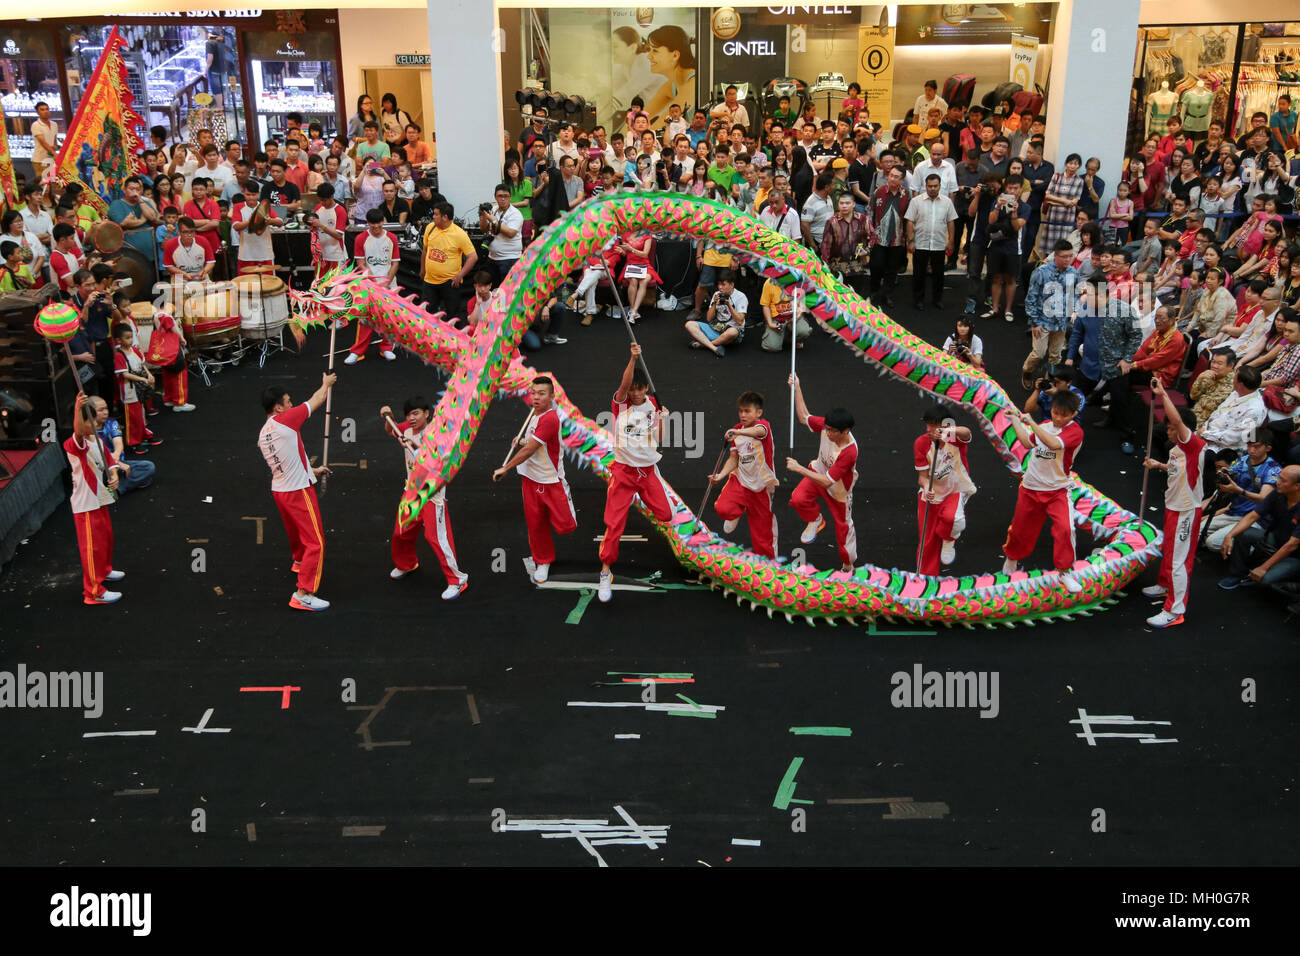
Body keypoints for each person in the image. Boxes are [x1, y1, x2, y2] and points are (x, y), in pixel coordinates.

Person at [592, 344, 673, 603]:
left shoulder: (653, 406)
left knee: (666, 514)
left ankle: (643, 497)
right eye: (633, 389)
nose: (636, 393)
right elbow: (624, 384)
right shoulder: (620, 405)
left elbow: (661, 439)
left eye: (640, 388)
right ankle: (605, 572)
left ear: (647, 389)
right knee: (614, 524)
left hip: (647, 472)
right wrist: (632, 357)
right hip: (624, 473)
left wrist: (663, 420)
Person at [259, 373, 337, 611]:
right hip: (298, 491)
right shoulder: (286, 419)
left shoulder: (263, 433)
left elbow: (289, 460)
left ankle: (299, 561)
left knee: (297, 533)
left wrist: (312, 470)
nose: (292, 405)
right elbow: (317, 399)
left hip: (280, 490)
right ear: (278, 407)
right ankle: (303, 592)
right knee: (316, 541)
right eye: (288, 401)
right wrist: (326, 383)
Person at [381, 396, 467, 600]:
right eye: (408, 414)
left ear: (427, 413)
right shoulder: (406, 428)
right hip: (411, 492)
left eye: (416, 413)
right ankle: (406, 564)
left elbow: (436, 461)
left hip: (431, 494)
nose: (411, 418)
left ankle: (457, 579)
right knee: (401, 532)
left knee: (436, 538)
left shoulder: (437, 434)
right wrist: (389, 417)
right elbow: (390, 429)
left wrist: (415, 444)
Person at [493, 376, 578, 584]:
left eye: (541, 393)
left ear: (551, 396)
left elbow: (531, 449)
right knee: (535, 524)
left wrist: (506, 467)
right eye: (533, 393)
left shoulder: (550, 418)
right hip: (530, 480)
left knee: (567, 526)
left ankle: (557, 513)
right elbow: (532, 442)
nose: (536, 397)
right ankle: (543, 561)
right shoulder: (534, 415)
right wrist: (521, 441)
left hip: (551, 480)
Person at [1138, 378, 1208, 626]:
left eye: (1170, 429)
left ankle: (1175, 611)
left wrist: (1162, 394)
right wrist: (1159, 465)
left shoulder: (1194, 444)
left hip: (1186, 511)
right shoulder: (1177, 450)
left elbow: (1177, 421)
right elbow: (1177, 469)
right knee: (1169, 551)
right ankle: (1164, 585)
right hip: (1173, 507)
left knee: (1179, 560)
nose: (1167, 432)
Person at [1001, 390, 1085, 593]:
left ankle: (1064, 572)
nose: (1057, 417)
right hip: (1031, 487)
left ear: (1074, 414)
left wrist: (1032, 423)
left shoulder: (1075, 432)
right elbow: (1026, 442)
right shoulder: (1046, 426)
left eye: (1063, 414)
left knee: (1066, 529)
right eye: (1055, 412)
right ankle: (1012, 559)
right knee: (1020, 529)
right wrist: (1014, 420)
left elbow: (1054, 443)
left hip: (1057, 490)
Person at [785, 374, 857, 573]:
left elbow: (827, 482)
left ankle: (847, 567)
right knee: (798, 499)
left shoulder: (849, 452)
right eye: (827, 429)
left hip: (838, 489)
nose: (827, 433)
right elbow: (803, 416)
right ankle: (815, 519)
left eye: (832, 431)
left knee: (844, 531)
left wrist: (799, 468)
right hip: (820, 471)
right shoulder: (828, 426)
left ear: (845, 431)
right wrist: (797, 386)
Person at [66, 393, 124, 605]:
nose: (96, 422)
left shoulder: (98, 440)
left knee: (106, 540)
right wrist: (77, 410)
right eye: (89, 418)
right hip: (86, 504)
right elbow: (79, 432)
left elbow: (110, 461)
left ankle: (104, 571)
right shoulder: (74, 444)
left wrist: (115, 475)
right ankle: (93, 592)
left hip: (100, 499)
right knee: (92, 548)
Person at [708, 391, 778, 558]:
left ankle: (769, 566)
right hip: (740, 479)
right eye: (741, 411)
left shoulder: (763, 426)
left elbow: (758, 432)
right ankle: (738, 510)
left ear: (758, 413)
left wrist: (738, 432)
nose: (743, 415)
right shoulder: (737, 430)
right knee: (723, 509)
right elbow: (733, 458)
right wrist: (720, 475)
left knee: (762, 535)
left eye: (747, 411)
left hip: (761, 485)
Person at [914, 405, 976, 574]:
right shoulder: (921, 443)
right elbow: (922, 477)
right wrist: (927, 488)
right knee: (926, 542)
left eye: (933, 425)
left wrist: (948, 431)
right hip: (932, 494)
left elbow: (967, 432)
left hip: (956, 490)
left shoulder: (955, 438)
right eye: (927, 424)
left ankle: (948, 539)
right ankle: (925, 581)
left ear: (945, 425)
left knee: (954, 520)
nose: (929, 429)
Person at [1218, 464, 1300, 589]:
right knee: (1242, 532)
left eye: (1283, 480)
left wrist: (1263, 568)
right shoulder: (1278, 493)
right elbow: (1253, 516)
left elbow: (1292, 545)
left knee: (1266, 579)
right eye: (1279, 477)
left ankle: (1293, 584)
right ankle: (1237, 574)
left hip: (1294, 554)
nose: (1277, 482)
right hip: (1276, 540)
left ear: (1297, 486)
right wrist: (1230, 535)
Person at [346, 208, 401, 364]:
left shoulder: (392, 238)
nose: (376, 227)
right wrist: (375, 283)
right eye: (372, 225)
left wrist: (387, 282)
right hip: (369, 283)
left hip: (389, 283)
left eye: (378, 224)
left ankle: (387, 348)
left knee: (389, 318)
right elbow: (361, 263)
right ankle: (357, 351)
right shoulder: (361, 239)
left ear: (383, 221)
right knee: (365, 319)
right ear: (367, 223)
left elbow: (395, 263)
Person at [1022, 240, 1078, 390]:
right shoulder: (1041, 272)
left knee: (1056, 356)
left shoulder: (1073, 273)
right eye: (1064, 256)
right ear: (1056, 256)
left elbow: (1075, 294)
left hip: (1061, 322)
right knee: (1039, 354)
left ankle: (1047, 383)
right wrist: (1035, 322)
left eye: (1070, 256)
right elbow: (1031, 298)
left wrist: (1075, 309)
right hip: (1042, 320)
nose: (1068, 259)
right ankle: (1027, 371)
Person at [905, 172, 956, 310]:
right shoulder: (916, 201)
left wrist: (951, 241)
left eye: (935, 186)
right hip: (920, 243)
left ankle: (937, 299)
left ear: (940, 186)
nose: (932, 189)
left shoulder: (947, 202)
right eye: (929, 186)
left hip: (938, 244)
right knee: (918, 274)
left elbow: (951, 222)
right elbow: (910, 221)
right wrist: (910, 241)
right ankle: (918, 300)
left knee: (938, 275)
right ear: (925, 186)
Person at [421, 201, 477, 320]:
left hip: (450, 283)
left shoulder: (459, 234)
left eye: (436, 214)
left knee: (453, 316)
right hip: (429, 281)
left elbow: (473, 257)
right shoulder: (430, 228)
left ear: (445, 217)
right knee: (427, 315)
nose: (433, 217)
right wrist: (422, 269)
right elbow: (425, 250)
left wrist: (460, 275)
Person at [90, 395, 155, 495]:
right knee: (146, 479)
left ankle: (116, 487)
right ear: (91, 412)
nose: (106, 412)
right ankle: (119, 486)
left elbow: (118, 443)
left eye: (106, 408)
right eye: (101, 410)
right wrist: (114, 464)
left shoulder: (111, 422)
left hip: (117, 463)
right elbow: (95, 456)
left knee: (149, 467)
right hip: (100, 467)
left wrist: (115, 460)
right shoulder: (87, 430)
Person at [868, 165, 910, 309]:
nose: (892, 178)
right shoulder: (878, 192)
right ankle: (874, 293)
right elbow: (870, 213)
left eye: (896, 176)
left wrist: (908, 237)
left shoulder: (907, 194)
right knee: (876, 266)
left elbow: (908, 218)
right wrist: (870, 234)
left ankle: (887, 294)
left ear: (902, 180)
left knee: (892, 269)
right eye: (891, 175)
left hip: (897, 239)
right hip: (879, 238)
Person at [112, 323, 156, 454]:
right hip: (129, 390)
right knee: (133, 417)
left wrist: (149, 374)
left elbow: (142, 365)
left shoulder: (134, 350)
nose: (130, 340)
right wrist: (143, 379)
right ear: (119, 340)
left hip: (139, 388)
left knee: (141, 414)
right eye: (127, 338)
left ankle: (144, 435)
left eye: (131, 337)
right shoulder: (119, 355)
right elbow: (124, 374)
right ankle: (134, 442)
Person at [684, 269, 746, 357]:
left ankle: (703, 344)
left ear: (732, 285)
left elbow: (739, 321)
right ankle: (714, 347)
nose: (720, 287)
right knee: (689, 324)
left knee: (732, 332)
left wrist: (729, 305)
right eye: (719, 284)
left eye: (723, 284)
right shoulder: (717, 294)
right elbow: (709, 319)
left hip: (731, 332)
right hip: (717, 328)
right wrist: (713, 304)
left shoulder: (741, 297)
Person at [108, 176, 161, 271]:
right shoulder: (116, 204)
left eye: (137, 189)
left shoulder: (143, 203)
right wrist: (142, 220)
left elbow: (152, 217)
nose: (135, 192)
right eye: (131, 189)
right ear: (124, 190)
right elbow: (124, 223)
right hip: (130, 256)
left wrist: (140, 200)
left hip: (150, 254)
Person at [480, 183, 524, 283]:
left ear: (510, 197)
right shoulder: (493, 209)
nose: (503, 199)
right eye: (500, 196)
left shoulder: (515, 213)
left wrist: (494, 221)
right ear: (495, 197)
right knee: (494, 290)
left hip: (510, 259)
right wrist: (483, 216)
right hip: (492, 258)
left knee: (506, 293)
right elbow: (484, 229)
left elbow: (511, 233)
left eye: (506, 196)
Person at [760, 279, 812, 353]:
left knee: (804, 331)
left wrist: (797, 317)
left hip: (793, 316)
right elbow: (765, 306)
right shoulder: (769, 283)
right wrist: (770, 323)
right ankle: (777, 335)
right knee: (772, 347)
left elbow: (802, 304)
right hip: (777, 318)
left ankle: (792, 339)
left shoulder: (799, 281)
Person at [162, 217, 214, 281]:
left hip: (201, 278)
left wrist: (205, 271)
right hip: (181, 280)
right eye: (185, 232)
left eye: (192, 231)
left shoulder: (203, 241)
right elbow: (168, 266)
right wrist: (183, 273)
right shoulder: (170, 244)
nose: (189, 235)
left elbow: (211, 262)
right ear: (179, 232)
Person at [30, 100, 59, 180]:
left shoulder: (54, 124)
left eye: (47, 109)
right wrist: (54, 153)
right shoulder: (36, 125)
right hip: (40, 160)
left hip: (52, 159)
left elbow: (54, 140)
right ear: (38, 112)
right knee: (44, 183)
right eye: (42, 110)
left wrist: (55, 147)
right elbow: (43, 143)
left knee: (55, 181)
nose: (45, 111)